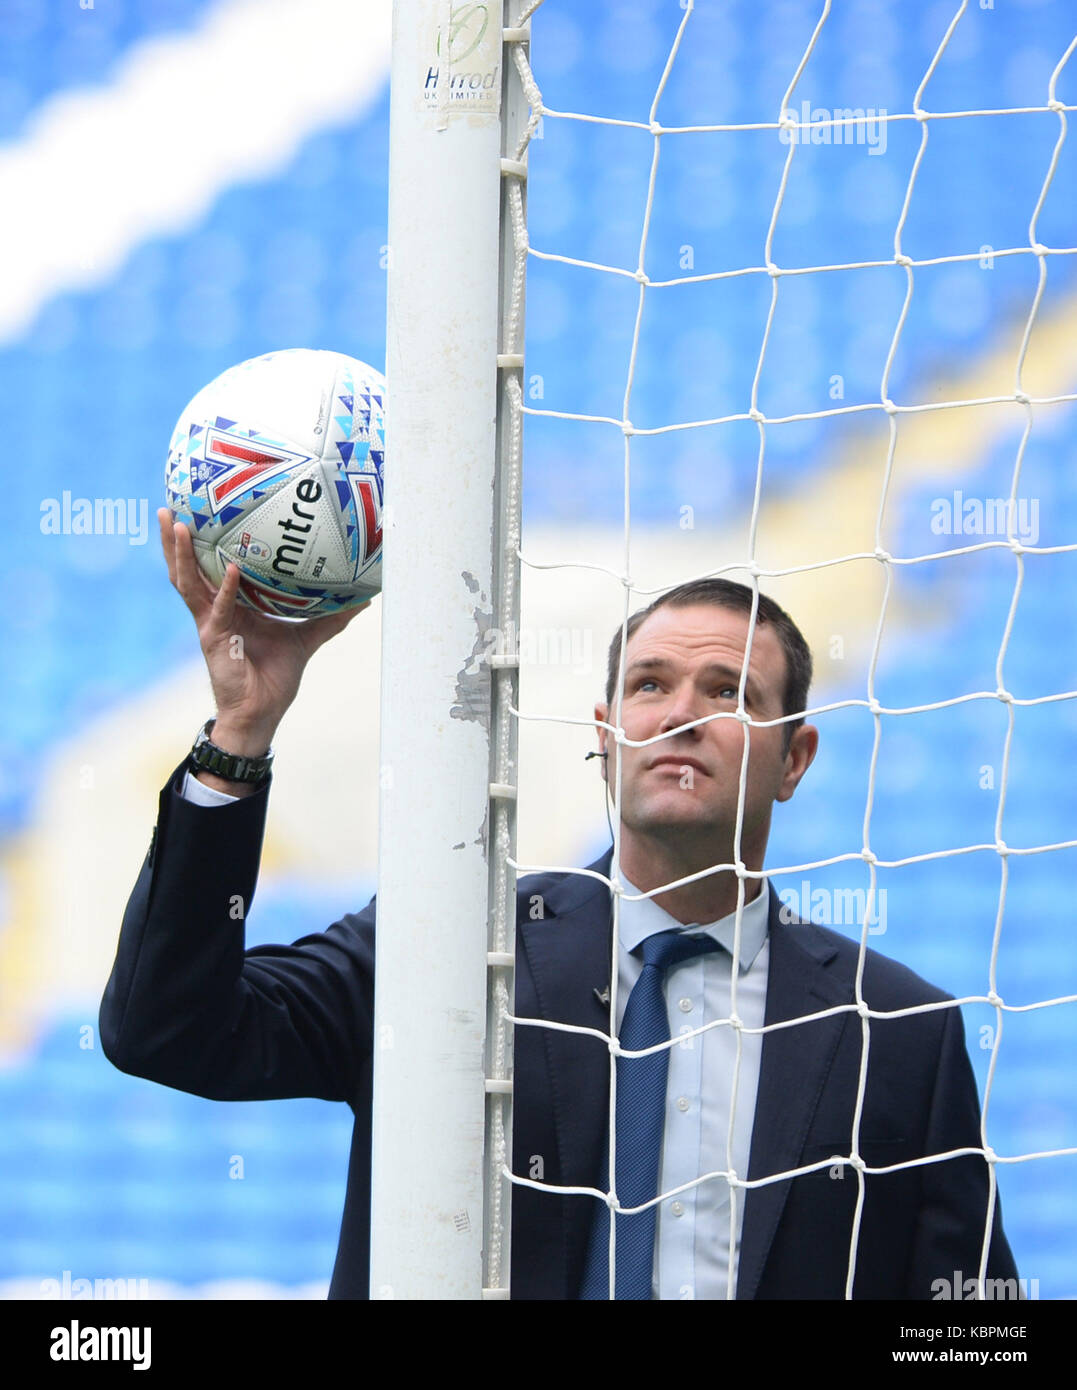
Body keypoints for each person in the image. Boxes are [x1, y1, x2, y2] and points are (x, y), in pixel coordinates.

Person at [100, 511, 1018, 1300]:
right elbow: (167, 1028)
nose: (679, 715)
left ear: (795, 759)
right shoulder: (455, 940)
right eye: (649, 685)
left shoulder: (898, 1030)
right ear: (606, 734)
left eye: (728, 692)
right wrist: (240, 736)